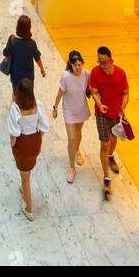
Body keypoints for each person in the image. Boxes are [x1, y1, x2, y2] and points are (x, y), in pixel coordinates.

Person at [89, 45, 130, 198]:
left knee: (114, 139)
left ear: (111, 60)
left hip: (116, 114)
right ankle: (106, 177)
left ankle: (111, 156)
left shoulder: (120, 73)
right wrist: (100, 104)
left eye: (104, 62)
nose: (101, 65)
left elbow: (126, 93)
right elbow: (93, 91)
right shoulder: (95, 72)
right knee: (104, 143)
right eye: (99, 62)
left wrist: (123, 106)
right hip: (102, 113)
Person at [8, 77, 50, 219]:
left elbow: (14, 134)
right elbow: (44, 126)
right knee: (27, 171)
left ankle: (29, 209)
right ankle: (24, 187)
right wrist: (38, 140)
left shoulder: (15, 110)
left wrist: (13, 147)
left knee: (25, 178)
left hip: (23, 146)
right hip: (35, 142)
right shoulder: (38, 105)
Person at [52, 50, 90, 183]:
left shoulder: (86, 74)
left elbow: (92, 88)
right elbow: (60, 92)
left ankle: (77, 150)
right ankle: (72, 167)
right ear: (71, 65)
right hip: (69, 111)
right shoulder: (66, 77)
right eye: (75, 65)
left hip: (81, 108)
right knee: (71, 138)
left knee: (78, 134)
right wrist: (55, 107)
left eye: (80, 64)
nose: (78, 67)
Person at [2, 14, 46, 89]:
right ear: (29, 28)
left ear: (18, 27)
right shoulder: (32, 43)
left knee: (16, 95)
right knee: (29, 97)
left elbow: (5, 53)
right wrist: (42, 69)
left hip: (16, 76)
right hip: (29, 78)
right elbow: (37, 58)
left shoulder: (12, 40)